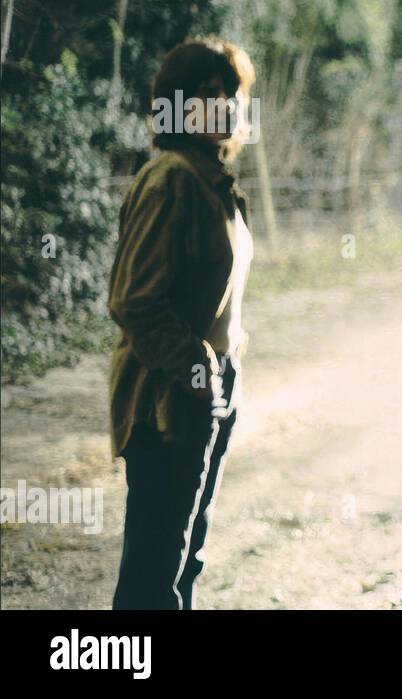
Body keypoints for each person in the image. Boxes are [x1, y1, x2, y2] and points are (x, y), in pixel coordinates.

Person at [108, 36, 256, 609]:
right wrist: (197, 366)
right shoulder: (171, 178)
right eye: (208, 92)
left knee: (185, 557)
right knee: (154, 571)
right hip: (166, 394)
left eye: (232, 93)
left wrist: (224, 369)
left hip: (209, 387)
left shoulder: (212, 181)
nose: (226, 104)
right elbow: (135, 301)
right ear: (175, 104)